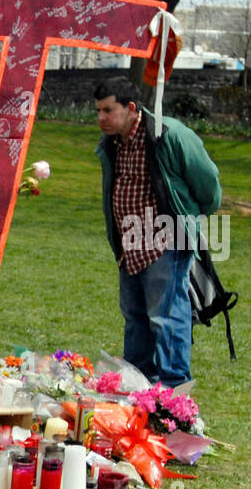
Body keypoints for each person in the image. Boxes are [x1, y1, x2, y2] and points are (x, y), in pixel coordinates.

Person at [94, 76, 221, 387]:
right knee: (135, 318)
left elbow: (209, 185)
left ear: (132, 108)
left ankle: (175, 390)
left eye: (108, 110)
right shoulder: (111, 144)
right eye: (97, 111)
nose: (101, 118)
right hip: (129, 242)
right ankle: (139, 388)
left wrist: (188, 219)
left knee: (166, 318)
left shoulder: (169, 134)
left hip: (165, 241)